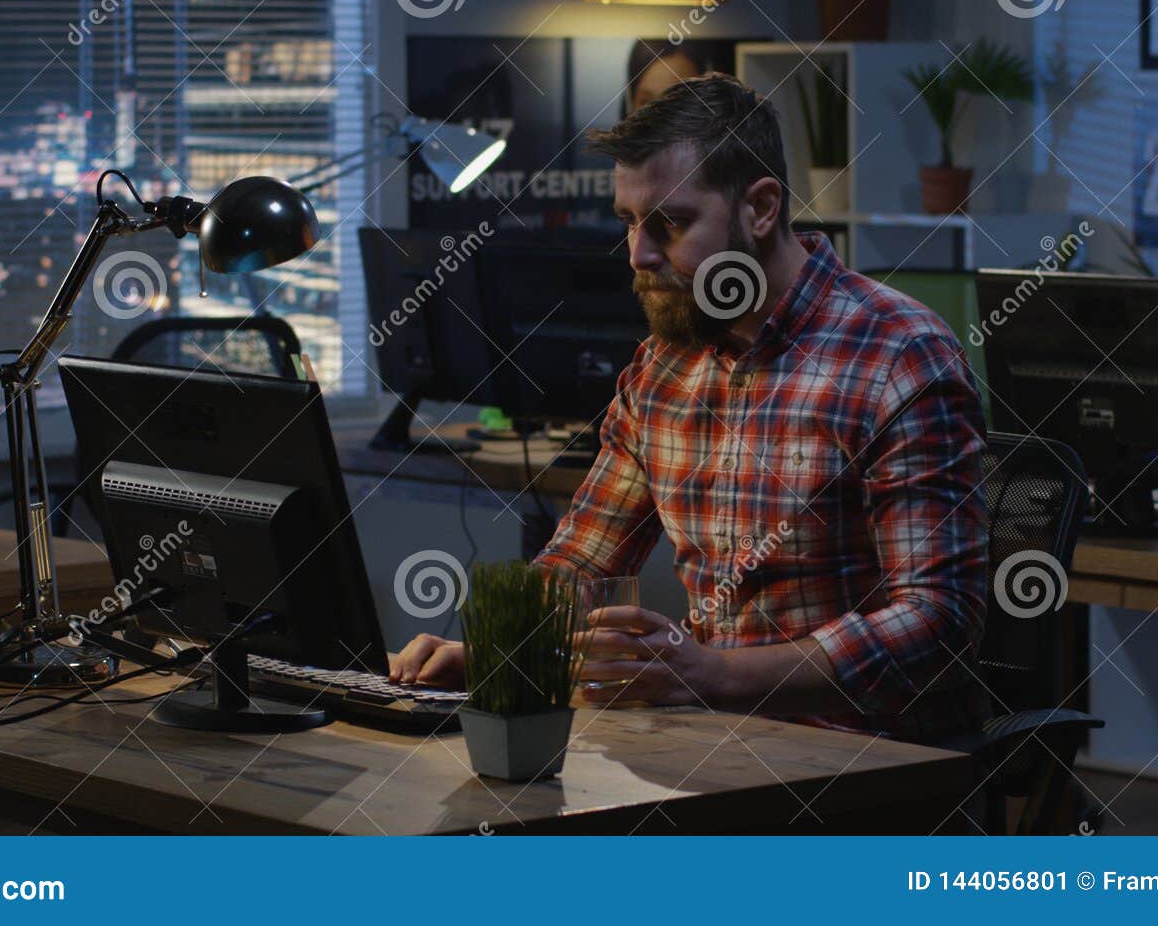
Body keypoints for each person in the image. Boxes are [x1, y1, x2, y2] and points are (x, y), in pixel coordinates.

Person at [391, 73, 989, 742]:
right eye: (628, 222)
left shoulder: (897, 355)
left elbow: (938, 620)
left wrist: (711, 676)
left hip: (870, 771)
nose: (639, 254)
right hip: (711, 747)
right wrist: (495, 654)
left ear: (761, 208)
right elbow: (584, 560)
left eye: (670, 223)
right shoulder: (664, 366)